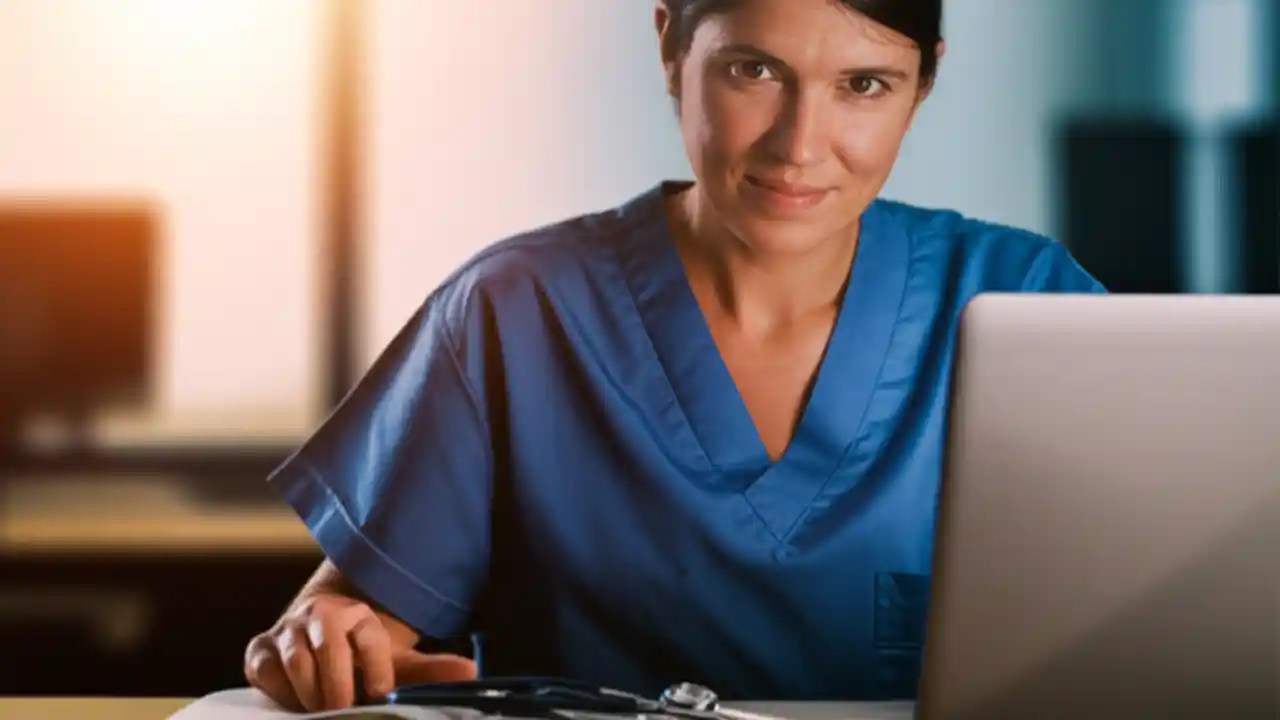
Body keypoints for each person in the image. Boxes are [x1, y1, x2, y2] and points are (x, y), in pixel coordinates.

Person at [244, 0, 1104, 712]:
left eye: (864, 85)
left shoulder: (1021, 298)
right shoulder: (516, 310)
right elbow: (348, 617)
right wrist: (323, 640)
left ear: (921, 87)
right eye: (754, 71)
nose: (799, 145)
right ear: (669, 46)